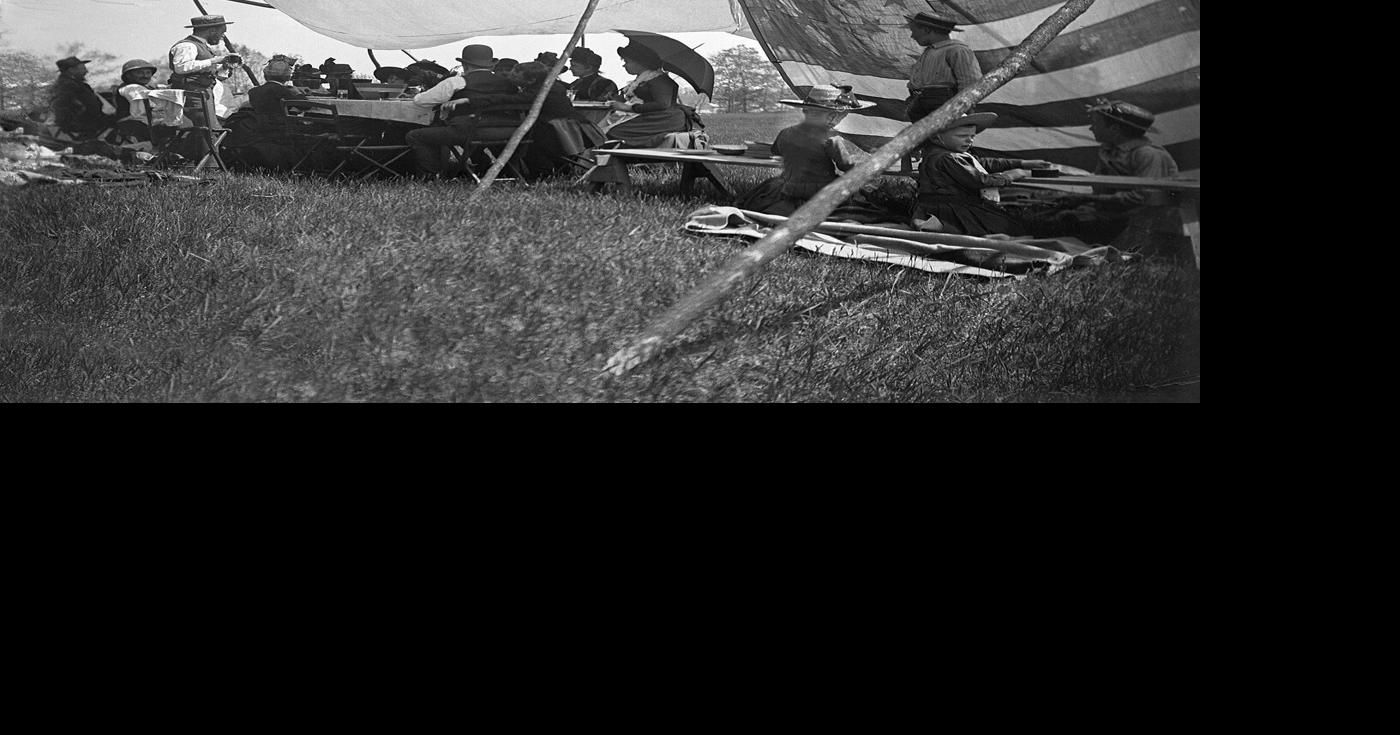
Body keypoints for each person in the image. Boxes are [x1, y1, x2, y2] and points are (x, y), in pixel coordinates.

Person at [1024, 99, 1184, 250]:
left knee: (1059, 222)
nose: (1091, 128)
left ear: (1114, 129)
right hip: (1110, 214)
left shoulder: (1148, 155)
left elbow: (1141, 199)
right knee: (1038, 213)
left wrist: (1086, 199)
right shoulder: (1110, 150)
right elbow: (1100, 188)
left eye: (1096, 123)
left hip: (1137, 222)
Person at [734, 84, 895, 223]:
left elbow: (776, 151)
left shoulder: (785, 133)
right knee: (862, 203)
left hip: (789, 187)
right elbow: (846, 166)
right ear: (832, 116)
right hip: (821, 190)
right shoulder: (831, 139)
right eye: (841, 117)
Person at [911, 112, 1052, 236]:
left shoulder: (945, 154)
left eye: (972, 136)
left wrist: (1022, 163)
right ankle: (939, 226)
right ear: (938, 137)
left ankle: (937, 225)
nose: (969, 140)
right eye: (962, 136)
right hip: (949, 209)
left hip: (936, 205)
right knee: (1008, 227)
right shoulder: (948, 158)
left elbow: (984, 163)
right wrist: (1010, 176)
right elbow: (979, 180)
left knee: (1007, 225)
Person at [403, 44, 520, 178]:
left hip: (470, 131)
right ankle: (486, 167)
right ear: (491, 65)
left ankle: (430, 176)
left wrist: (415, 95)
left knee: (415, 135)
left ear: (465, 65)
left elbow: (421, 101)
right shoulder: (510, 83)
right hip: (508, 131)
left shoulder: (458, 82)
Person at [168, 14, 243, 160]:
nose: (222, 37)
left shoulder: (202, 47)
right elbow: (181, 67)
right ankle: (210, 168)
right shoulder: (186, 45)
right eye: (222, 32)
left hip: (203, 92)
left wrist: (224, 66)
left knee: (209, 128)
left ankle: (203, 164)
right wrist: (214, 60)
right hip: (192, 93)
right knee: (209, 129)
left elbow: (210, 73)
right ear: (212, 30)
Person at [598, 40, 692, 146]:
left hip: (661, 119)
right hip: (646, 115)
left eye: (627, 62)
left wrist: (628, 108)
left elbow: (662, 104)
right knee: (601, 130)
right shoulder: (643, 78)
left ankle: (611, 158)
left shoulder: (659, 80)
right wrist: (620, 101)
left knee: (613, 132)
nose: (624, 66)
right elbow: (644, 98)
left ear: (640, 62)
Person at [904, 12, 981, 124]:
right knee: (924, 139)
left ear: (926, 30)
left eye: (914, 31)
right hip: (921, 104)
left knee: (943, 138)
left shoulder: (958, 50)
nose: (912, 36)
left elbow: (971, 83)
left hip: (944, 106)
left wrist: (961, 110)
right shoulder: (930, 51)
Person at [49, 55, 115, 140]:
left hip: (85, 123)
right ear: (71, 70)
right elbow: (65, 109)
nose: (86, 71)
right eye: (82, 69)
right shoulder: (67, 86)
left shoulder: (74, 85)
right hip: (82, 126)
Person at [111, 59, 164, 144]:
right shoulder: (131, 88)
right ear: (128, 75)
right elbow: (143, 109)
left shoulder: (144, 87)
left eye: (148, 73)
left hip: (142, 123)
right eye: (140, 73)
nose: (145, 76)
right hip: (133, 126)